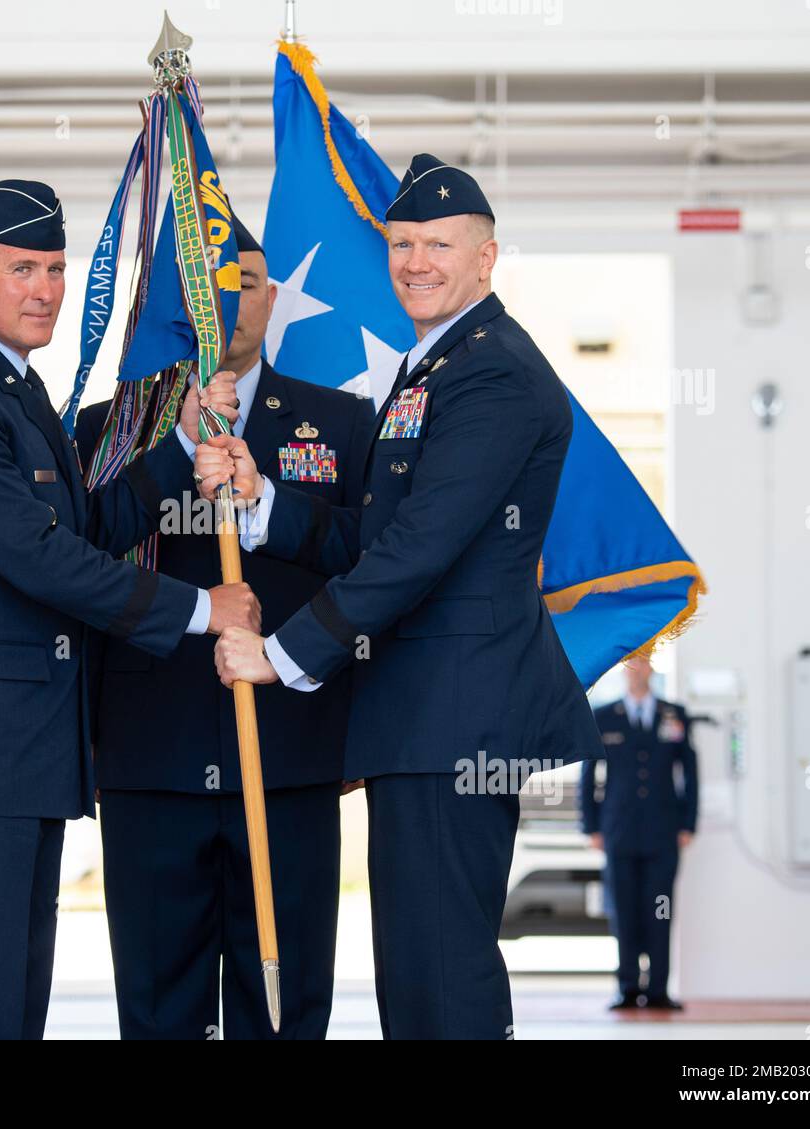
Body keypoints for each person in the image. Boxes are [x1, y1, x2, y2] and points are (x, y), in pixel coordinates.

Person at [193, 154, 604, 1039]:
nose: (416, 261)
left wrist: (282, 652)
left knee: (442, 983)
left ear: (486, 259)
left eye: (440, 245)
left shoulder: (492, 371)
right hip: (420, 720)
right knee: (416, 982)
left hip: (454, 723)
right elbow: (380, 536)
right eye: (403, 243)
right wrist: (261, 502)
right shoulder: (435, 365)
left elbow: (421, 550)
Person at [0, 179, 259, 1039]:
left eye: (55, 267)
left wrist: (183, 442)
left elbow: (86, 524)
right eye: (21, 268)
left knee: (9, 1003)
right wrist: (204, 609)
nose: (45, 288)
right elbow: (41, 558)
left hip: (18, 753)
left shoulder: (11, 386)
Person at [75, 215, 371, 1039]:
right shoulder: (112, 429)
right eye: (203, 283)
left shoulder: (339, 424)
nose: (224, 300)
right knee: (157, 1004)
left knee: (284, 1001)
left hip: (289, 761)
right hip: (149, 760)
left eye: (240, 281)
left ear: (270, 296)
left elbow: (371, 567)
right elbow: (76, 560)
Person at [581, 655, 698, 1011]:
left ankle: (659, 988)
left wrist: (687, 823)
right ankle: (628, 987)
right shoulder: (603, 716)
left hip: (663, 832)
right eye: (632, 664)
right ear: (623, 670)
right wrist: (592, 826)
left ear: (652, 668)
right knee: (625, 909)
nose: (638, 669)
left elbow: (690, 773)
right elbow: (590, 777)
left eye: (644, 663)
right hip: (619, 830)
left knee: (660, 909)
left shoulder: (673, 714)